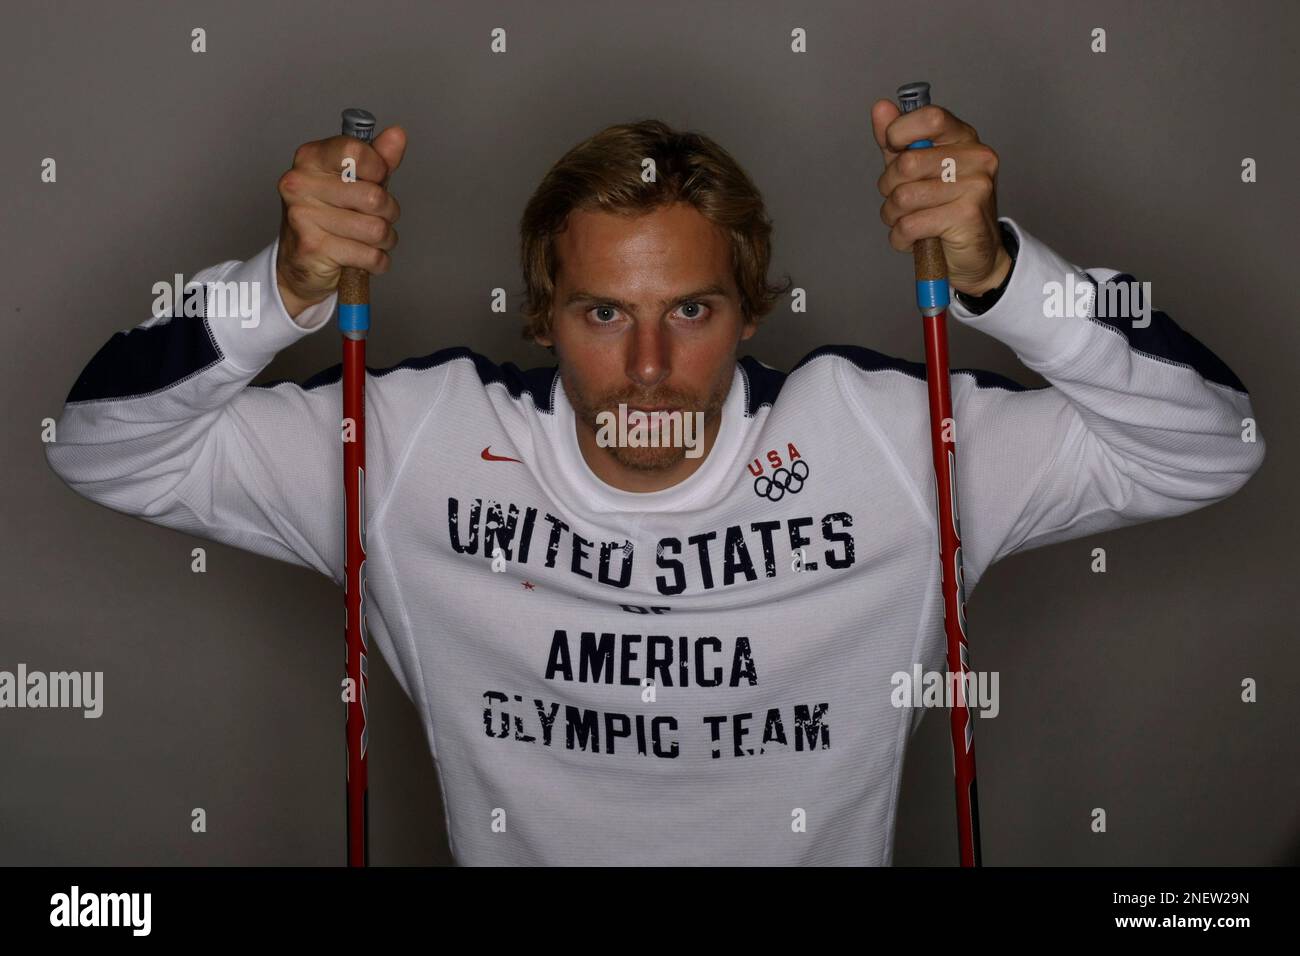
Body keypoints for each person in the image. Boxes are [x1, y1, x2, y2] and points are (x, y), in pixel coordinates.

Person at [45, 101, 1265, 865]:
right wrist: (289, 285)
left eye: (690, 308)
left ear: (749, 312)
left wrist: (1000, 271)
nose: (644, 366)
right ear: (542, 314)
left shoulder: (891, 436)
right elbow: (98, 442)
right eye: (598, 312)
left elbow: (1211, 444)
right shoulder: (414, 439)